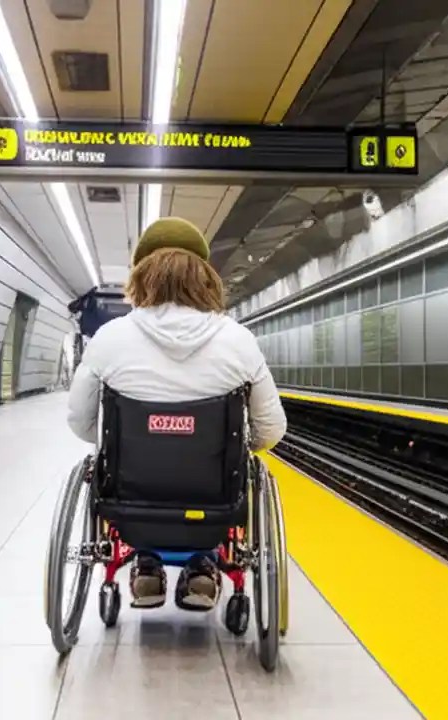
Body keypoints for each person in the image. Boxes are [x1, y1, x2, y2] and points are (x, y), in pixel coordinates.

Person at [67, 217, 287, 611]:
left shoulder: (109, 340)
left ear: (141, 276)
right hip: (217, 503)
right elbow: (271, 430)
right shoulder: (238, 341)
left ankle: (146, 563)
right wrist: (239, 449)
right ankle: (204, 563)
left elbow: (81, 423)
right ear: (204, 277)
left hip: (128, 506)